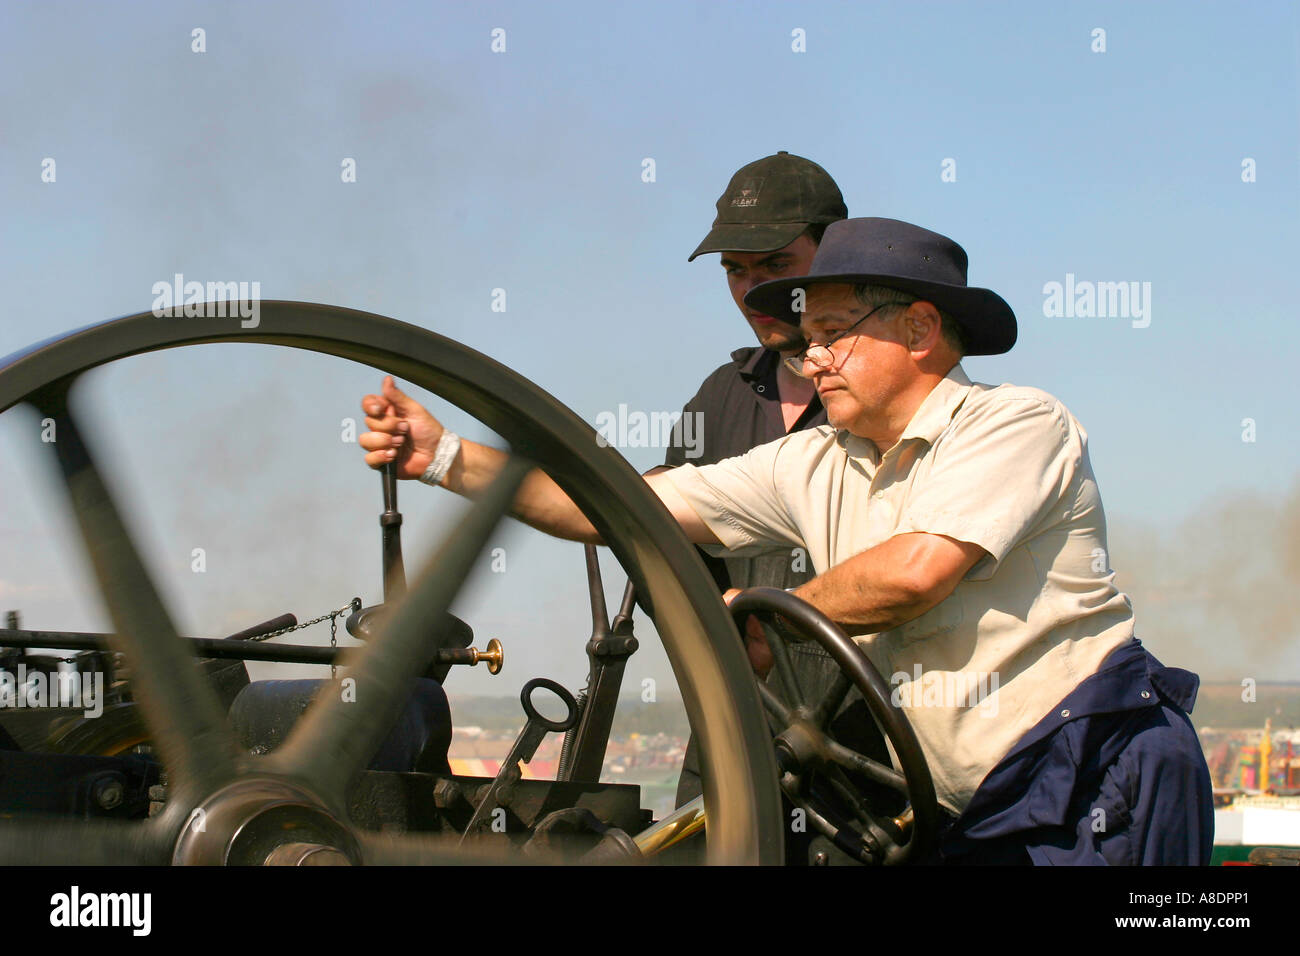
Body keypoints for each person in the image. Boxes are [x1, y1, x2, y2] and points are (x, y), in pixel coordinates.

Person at [358, 217, 1214, 865]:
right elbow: (626, 508)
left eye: (834, 333)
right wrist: (447, 460)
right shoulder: (814, 462)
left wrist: (765, 615)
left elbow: (918, 569)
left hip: (1102, 768)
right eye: (806, 341)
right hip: (974, 806)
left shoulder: (1015, 423)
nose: (812, 359)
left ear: (919, 331)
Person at [663, 151, 850, 809]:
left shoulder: (887, 402)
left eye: (775, 266)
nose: (750, 290)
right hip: (736, 747)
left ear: (836, 256)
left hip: (863, 758)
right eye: (734, 271)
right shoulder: (720, 398)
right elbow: (670, 553)